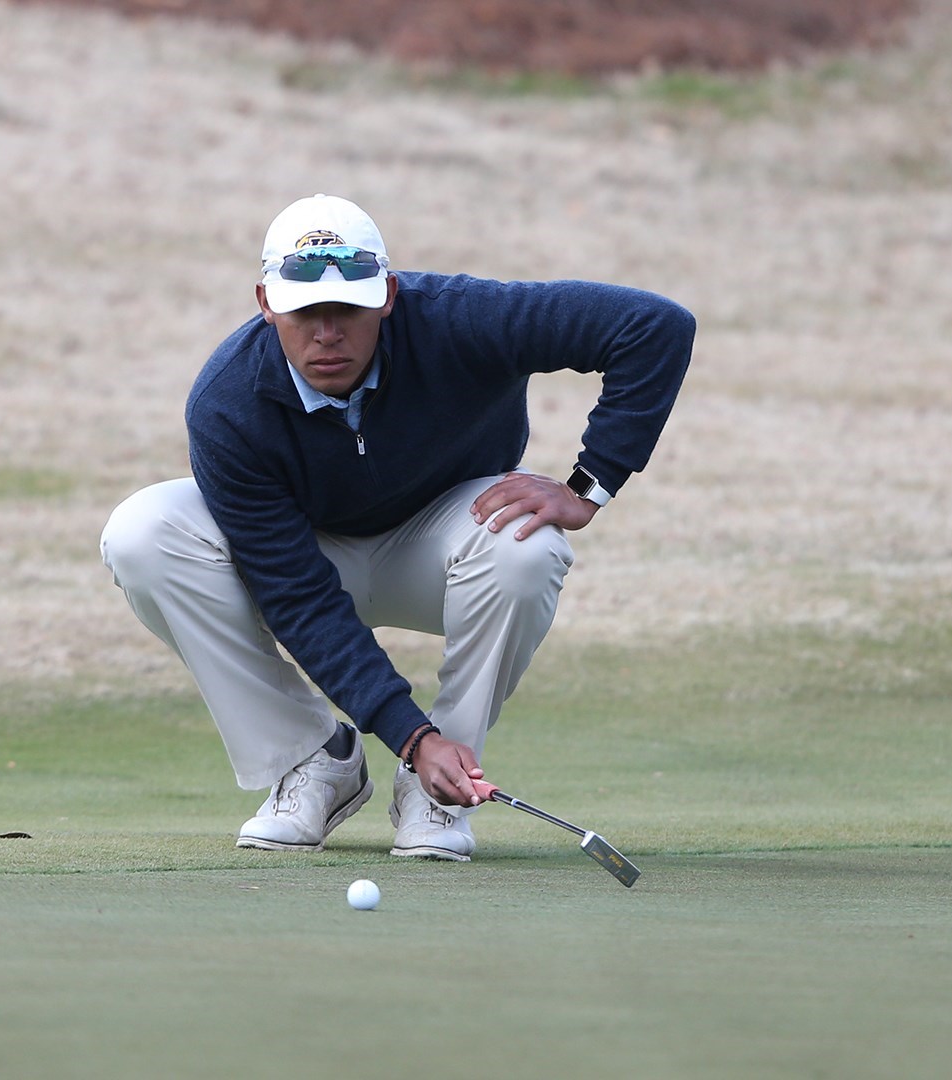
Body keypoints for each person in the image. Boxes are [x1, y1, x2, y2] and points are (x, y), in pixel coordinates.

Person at [100, 194, 693, 861]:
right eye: (304, 312)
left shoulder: (461, 319)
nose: (328, 332)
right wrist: (408, 730)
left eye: (348, 308)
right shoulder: (229, 404)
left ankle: (437, 788)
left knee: (527, 547)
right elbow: (298, 596)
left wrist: (590, 484)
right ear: (266, 303)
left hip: (442, 548)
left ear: (387, 293)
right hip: (309, 556)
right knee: (141, 532)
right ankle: (313, 759)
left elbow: (653, 326)